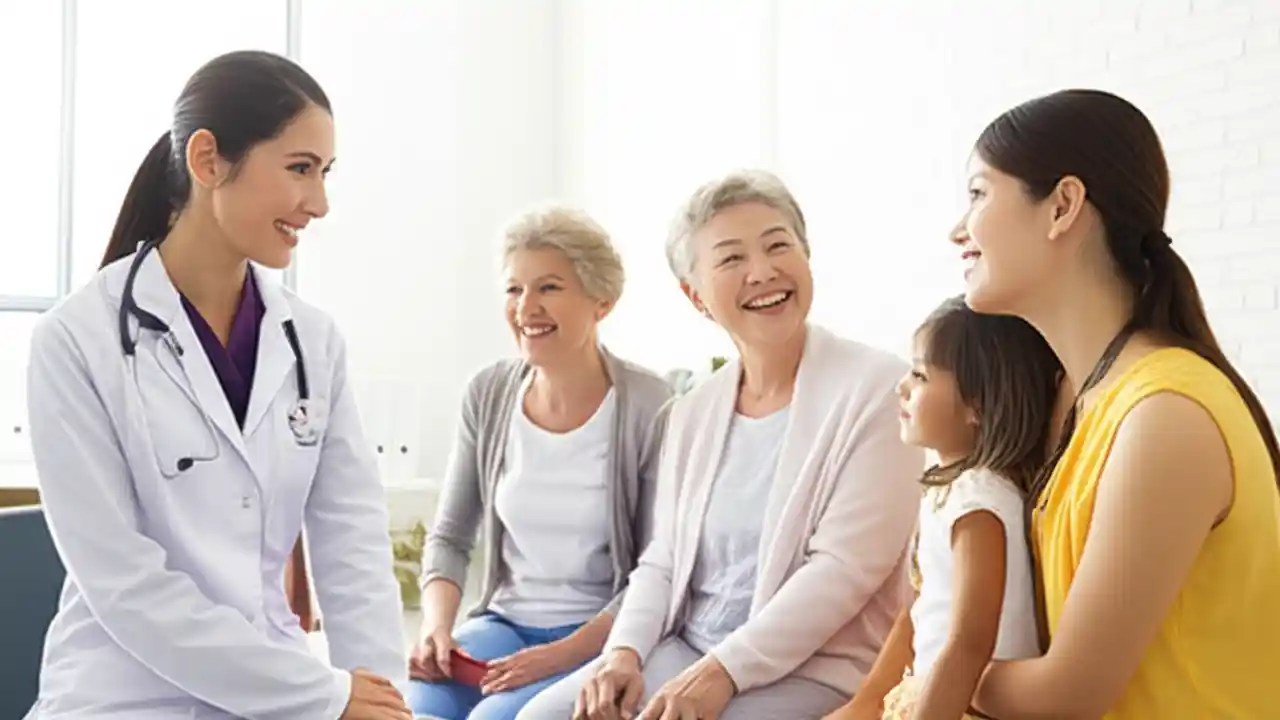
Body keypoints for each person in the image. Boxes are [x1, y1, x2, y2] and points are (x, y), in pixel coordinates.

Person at [24, 50, 410, 719]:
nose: (318, 203)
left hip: (281, 690)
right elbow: (124, 583)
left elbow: (352, 544)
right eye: (299, 169)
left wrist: (376, 700)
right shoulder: (75, 341)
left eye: (324, 174)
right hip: (124, 695)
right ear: (208, 161)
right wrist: (324, 696)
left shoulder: (312, 342)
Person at [520, 170, 924, 720]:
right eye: (732, 259)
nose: (762, 271)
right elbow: (661, 562)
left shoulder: (878, 389)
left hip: (815, 669)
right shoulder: (692, 412)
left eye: (778, 245)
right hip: (687, 650)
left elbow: (844, 571)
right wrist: (623, 653)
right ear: (697, 296)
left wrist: (719, 675)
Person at [950, 89, 1280, 718]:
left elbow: (1067, 696)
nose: (958, 229)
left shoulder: (1166, 417)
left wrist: (943, 668)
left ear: (1063, 206)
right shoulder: (1074, 400)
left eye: (977, 193)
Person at [408, 206, 673, 720]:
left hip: (597, 636)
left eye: (549, 287)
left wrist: (557, 655)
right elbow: (450, 537)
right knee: (416, 711)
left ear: (602, 300)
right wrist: (436, 629)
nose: (526, 307)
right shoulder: (488, 393)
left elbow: (657, 569)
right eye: (514, 290)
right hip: (503, 625)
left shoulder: (649, 403)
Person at [824, 296, 1059, 719]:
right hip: (930, 694)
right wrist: (864, 703)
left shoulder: (979, 501)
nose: (901, 386)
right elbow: (916, 612)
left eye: (919, 375)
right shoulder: (951, 489)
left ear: (977, 405)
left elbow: (971, 642)